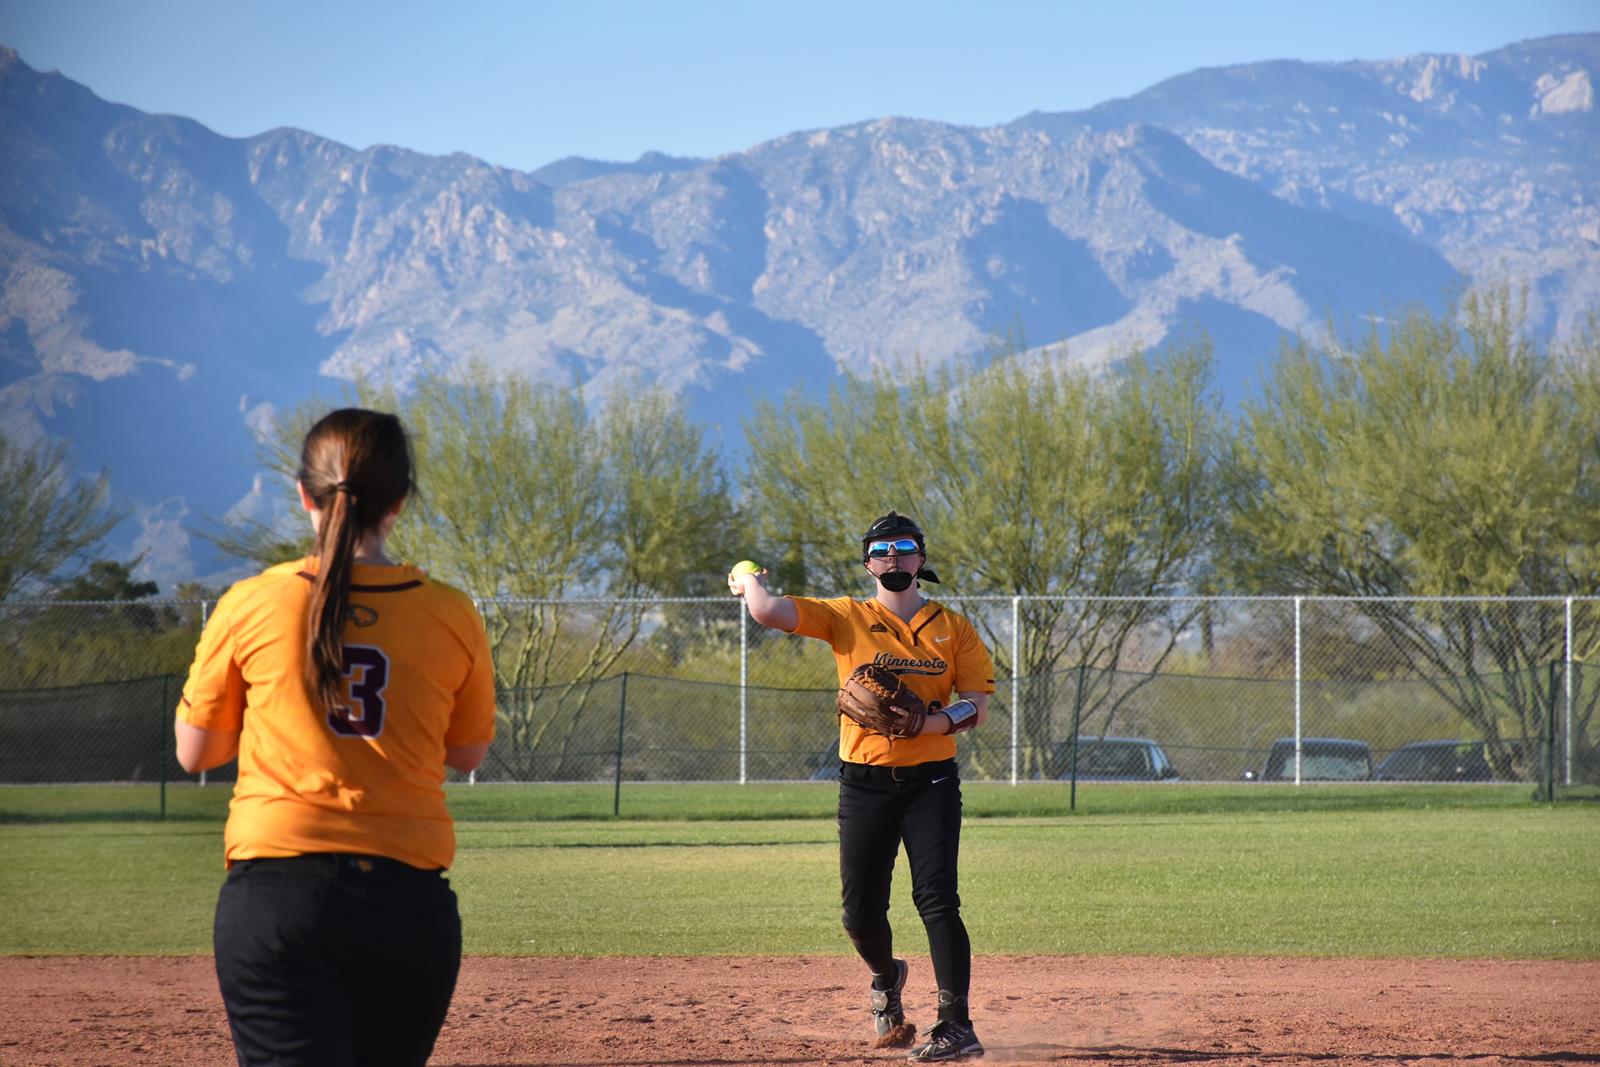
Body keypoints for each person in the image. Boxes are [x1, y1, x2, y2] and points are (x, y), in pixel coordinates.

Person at [175, 407, 497, 1067]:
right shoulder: (449, 611)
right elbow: (466, 753)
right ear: (400, 502)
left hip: (279, 900)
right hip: (409, 904)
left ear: (303, 494)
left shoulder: (253, 602)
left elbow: (196, 751)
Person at [729, 511, 995, 1062]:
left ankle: (955, 1025)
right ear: (867, 562)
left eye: (903, 548)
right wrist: (748, 577)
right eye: (880, 550)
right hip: (865, 784)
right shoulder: (845, 617)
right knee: (860, 914)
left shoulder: (954, 626)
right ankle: (887, 976)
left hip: (933, 780)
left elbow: (977, 706)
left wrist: (932, 722)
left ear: (922, 558)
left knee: (938, 899)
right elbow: (765, 611)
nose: (892, 559)